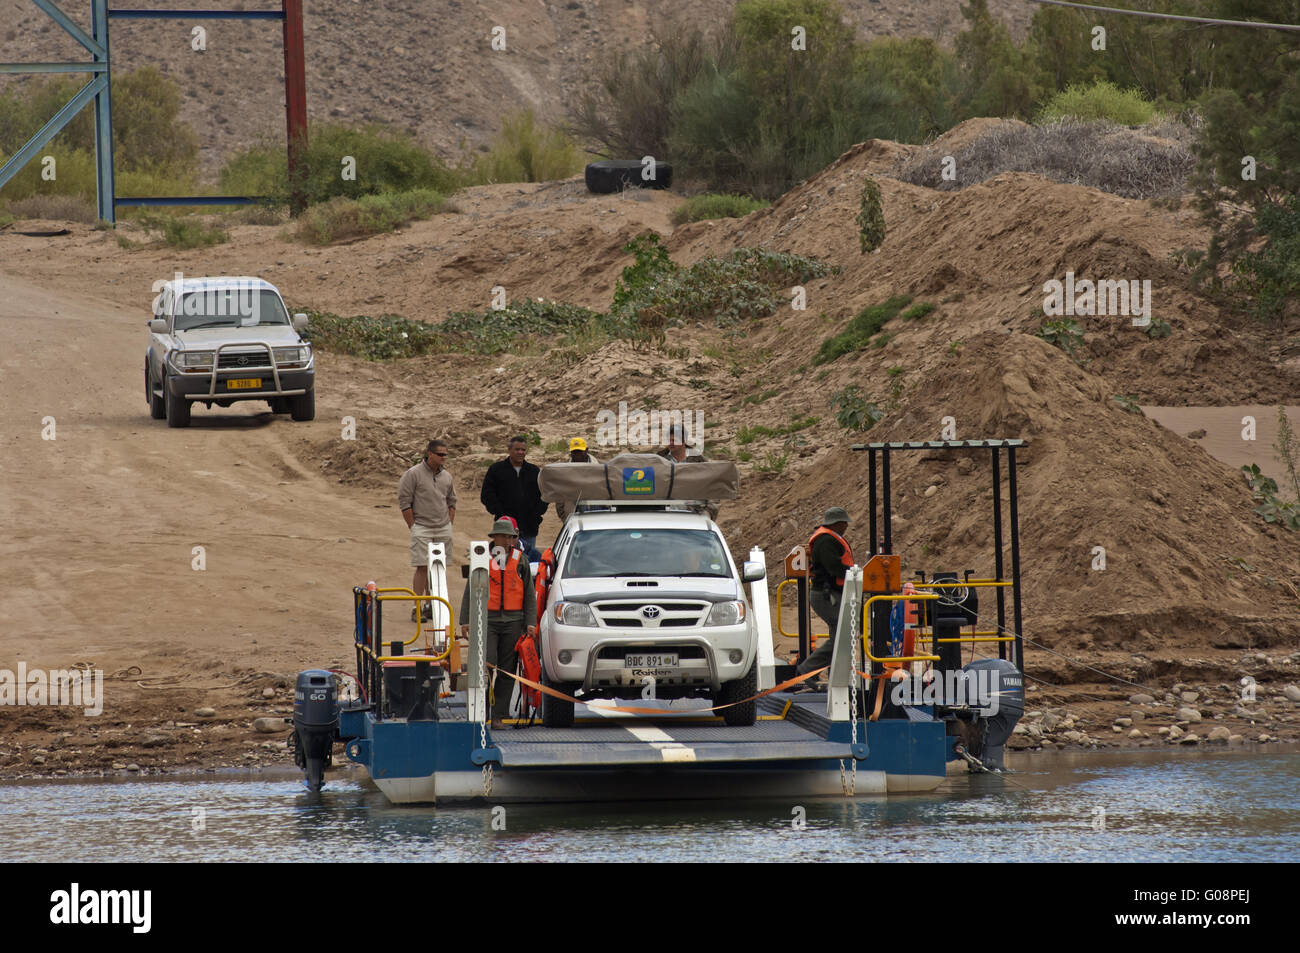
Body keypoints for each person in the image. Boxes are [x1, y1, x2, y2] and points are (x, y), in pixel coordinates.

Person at [458, 519, 537, 728]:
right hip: (488, 620)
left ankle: (499, 716)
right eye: (505, 536)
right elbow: (470, 590)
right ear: (495, 538)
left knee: (506, 670)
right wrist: (465, 620)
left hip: (514, 622)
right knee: (486, 666)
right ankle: (482, 711)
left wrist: (530, 623)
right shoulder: (482, 558)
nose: (510, 540)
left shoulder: (521, 561)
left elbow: (529, 594)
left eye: (512, 537)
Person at [398, 439, 456, 622]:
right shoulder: (413, 474)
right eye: (440, 454)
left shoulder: (446, 476)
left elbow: (451, 500)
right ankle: (417, 607)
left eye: (445, 454)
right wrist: (413, 526)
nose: (443, 458)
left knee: (438, 568)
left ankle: (432, 605)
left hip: (442, 527)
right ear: (429, 453)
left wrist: (449, 523)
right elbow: (404, 501)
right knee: (422, 567)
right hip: (422, 527)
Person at [795, 506, 855, 679]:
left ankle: (830, 673)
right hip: (826, 595)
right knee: (841, 637)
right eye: (844, 523)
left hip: (829, 594)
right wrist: (854, 573)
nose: (846, 526)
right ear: (836, 523)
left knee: (839, 635)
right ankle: (807, 670)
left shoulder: (829, 539)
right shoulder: (826, 541)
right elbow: (833, 567)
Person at [481, 435, 547, 562]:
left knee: (527, 562)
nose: (520, 452)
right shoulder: (496, 470)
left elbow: (544, 494)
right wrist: (500, 513)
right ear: (509, 450)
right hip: (504, 528)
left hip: (529, 527)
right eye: (517, 449)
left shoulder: (534, 471)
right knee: (502, 563)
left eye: (523, 450)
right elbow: (487, 495)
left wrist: (536, 514)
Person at [658, 423, 719, 520]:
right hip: (664, 514)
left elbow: (712, 487)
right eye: (669, 440)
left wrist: (709, 511)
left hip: (693, 515)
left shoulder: (699, 461)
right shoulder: (659, 460)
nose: (671, 443)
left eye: (674, 440)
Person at [555, 436, 600, 524]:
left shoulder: (599, 469)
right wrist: (565, 518)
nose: (577, 455)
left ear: (586, 450)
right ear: (571, 453)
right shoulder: (564, 472)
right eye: (575, 452)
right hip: (573, 519)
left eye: (580, 451)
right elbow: (559, 499)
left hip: (596, 517)